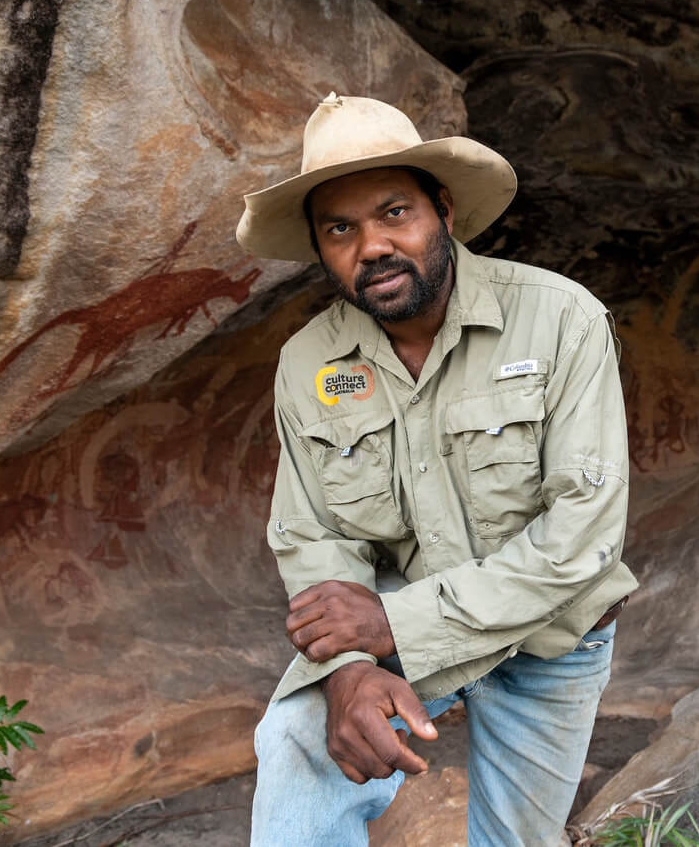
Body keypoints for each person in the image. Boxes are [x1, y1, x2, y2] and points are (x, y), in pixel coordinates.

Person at [235, 93, 638, 846]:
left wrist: (393, 622)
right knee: (296, 738)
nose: (373, 247)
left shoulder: (561, 319)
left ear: (443, 211)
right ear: (321, 249)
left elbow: (583, 536)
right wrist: (351, 665)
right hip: (395, 635)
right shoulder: (308, 365)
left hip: (549, 641)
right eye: (341, 229)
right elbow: (313, 537)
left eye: (395, 214)